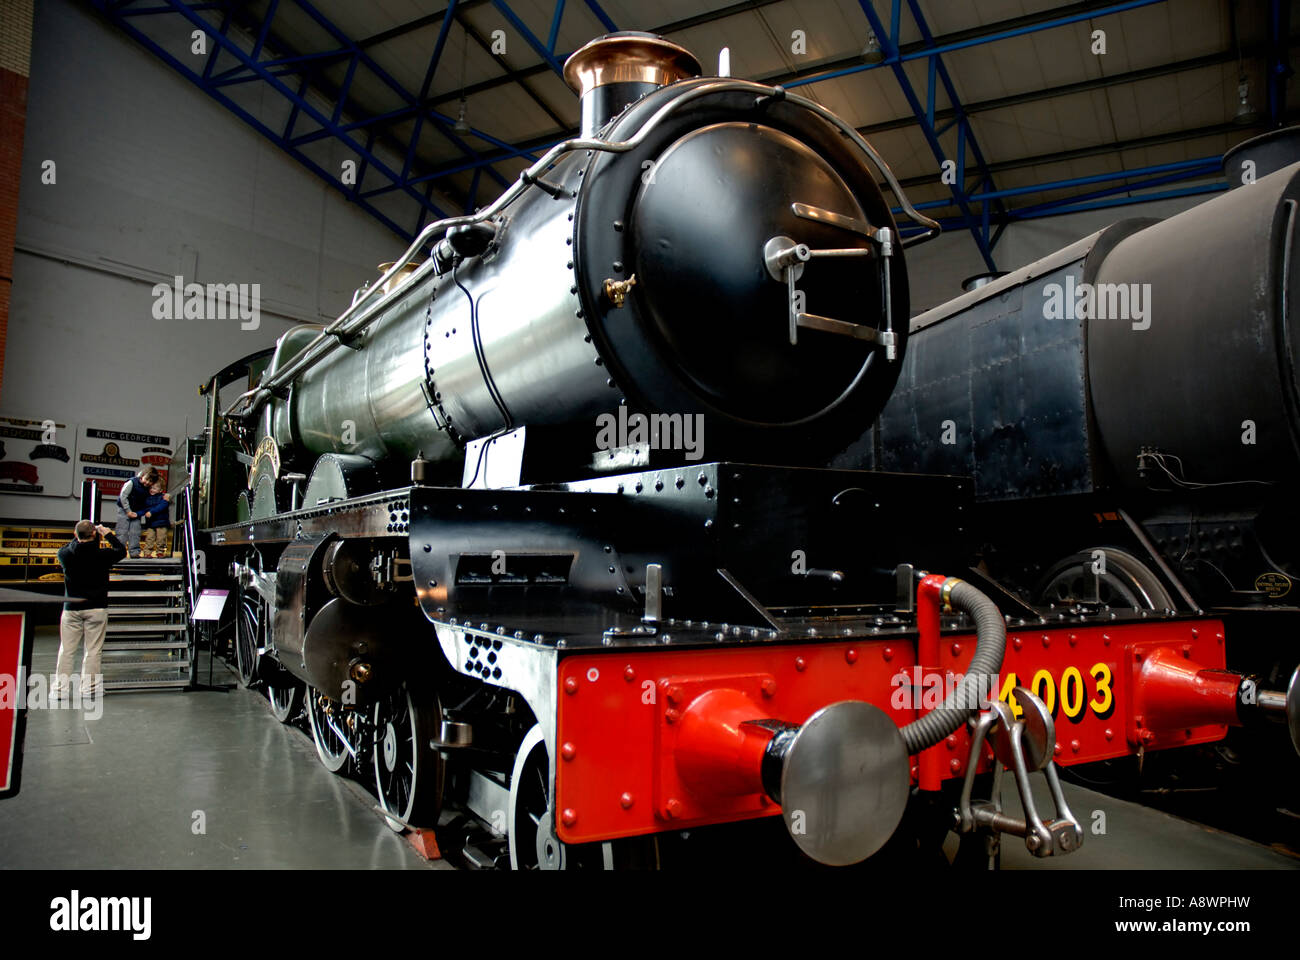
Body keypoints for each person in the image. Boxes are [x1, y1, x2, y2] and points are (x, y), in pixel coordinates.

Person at [53, 520, 126, 700]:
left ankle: (59, 690)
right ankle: (89, 689)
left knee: (67, 650)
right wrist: (107, 534)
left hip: (71, 609)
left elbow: (70, 546)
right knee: (93, 650)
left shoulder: (65, 554)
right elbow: (121, 551)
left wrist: (80, 536)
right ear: (94, 534)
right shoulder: (102, 554)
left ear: (75, 535)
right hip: (97, 608)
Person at [116, 466, 159, 559]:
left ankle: (134, 552)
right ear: (142, 476)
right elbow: (123, 496)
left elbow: (147, 505)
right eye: (146, 479)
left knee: (135, 532)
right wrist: (128, 511)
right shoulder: (132, 482)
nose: (147, 482)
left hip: (136, 512)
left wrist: (138, 514)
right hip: (124, 509)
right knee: (122, 531)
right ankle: (119, 552)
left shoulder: (149, 490)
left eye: (150, 481)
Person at [140, 479, 172, 558]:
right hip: (150, 523)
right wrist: (138, 513)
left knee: (161, 538)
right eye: (151, 488)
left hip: (161, 522)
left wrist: (151, 512)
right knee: (149, 538)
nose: (152, 490)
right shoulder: (147, 498)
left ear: (160, 490)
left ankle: (160, 552)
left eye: (154, 488)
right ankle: (147, 552)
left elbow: (161, 506)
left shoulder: (164, 498)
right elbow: (144, 509)